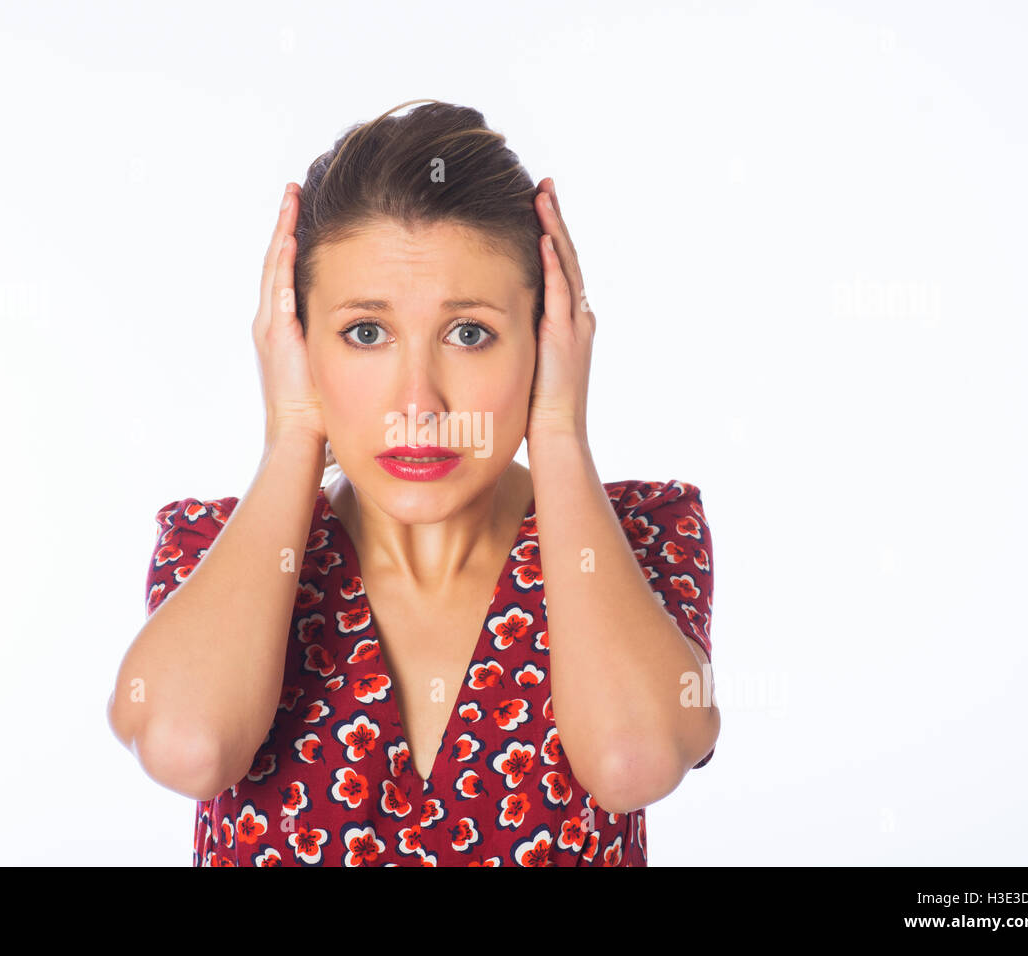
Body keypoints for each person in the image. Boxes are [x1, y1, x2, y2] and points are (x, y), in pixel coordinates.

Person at [109, 99, 719, 866]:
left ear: (546, 337)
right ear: (296, 341)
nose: (418, 405)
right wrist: (294, 430)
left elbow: (638, 759)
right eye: (366, 333)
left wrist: (559, 428)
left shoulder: (641, 536)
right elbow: (187, 746)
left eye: (471, 334)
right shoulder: (214, 548)